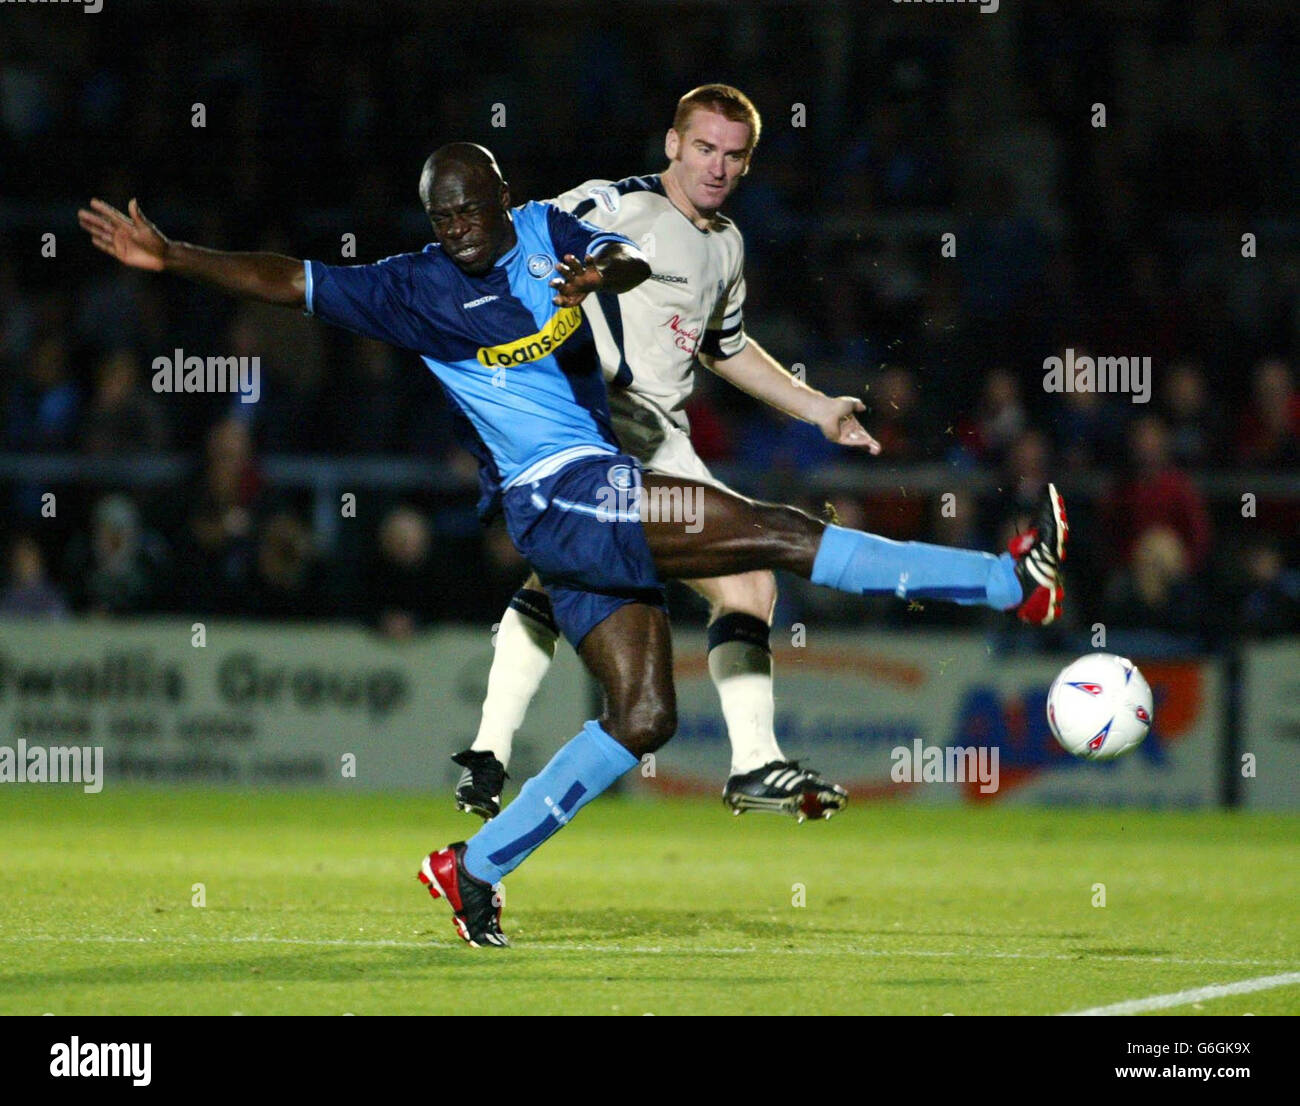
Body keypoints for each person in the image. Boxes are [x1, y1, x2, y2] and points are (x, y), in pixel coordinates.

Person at [78, 143, 1067, 948]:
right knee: (776, 533)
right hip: (560, 497)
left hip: (589, 498)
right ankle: (1008, 582)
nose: (457, 229)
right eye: (441, 217)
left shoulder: (546, 231)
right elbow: (288, 279)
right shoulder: (412, 287)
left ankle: (472, 868)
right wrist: (175, 256)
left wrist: (602, 273)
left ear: (502, 197)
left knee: (643, 716)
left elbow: (622, 261)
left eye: (469, 210)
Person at [456, 85, 878, 826]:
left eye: (733, 155)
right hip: (591, 424)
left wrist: (816, 408)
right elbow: (512, 241)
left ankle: (495, 755)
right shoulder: (612, 206)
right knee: (697, 575)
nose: (717, 166)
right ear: (673, 144)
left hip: (660, 438)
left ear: (747, 163)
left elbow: (726, 347)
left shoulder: (727, 244)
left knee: (731, 585)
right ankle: (496, 752)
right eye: (704, 148)